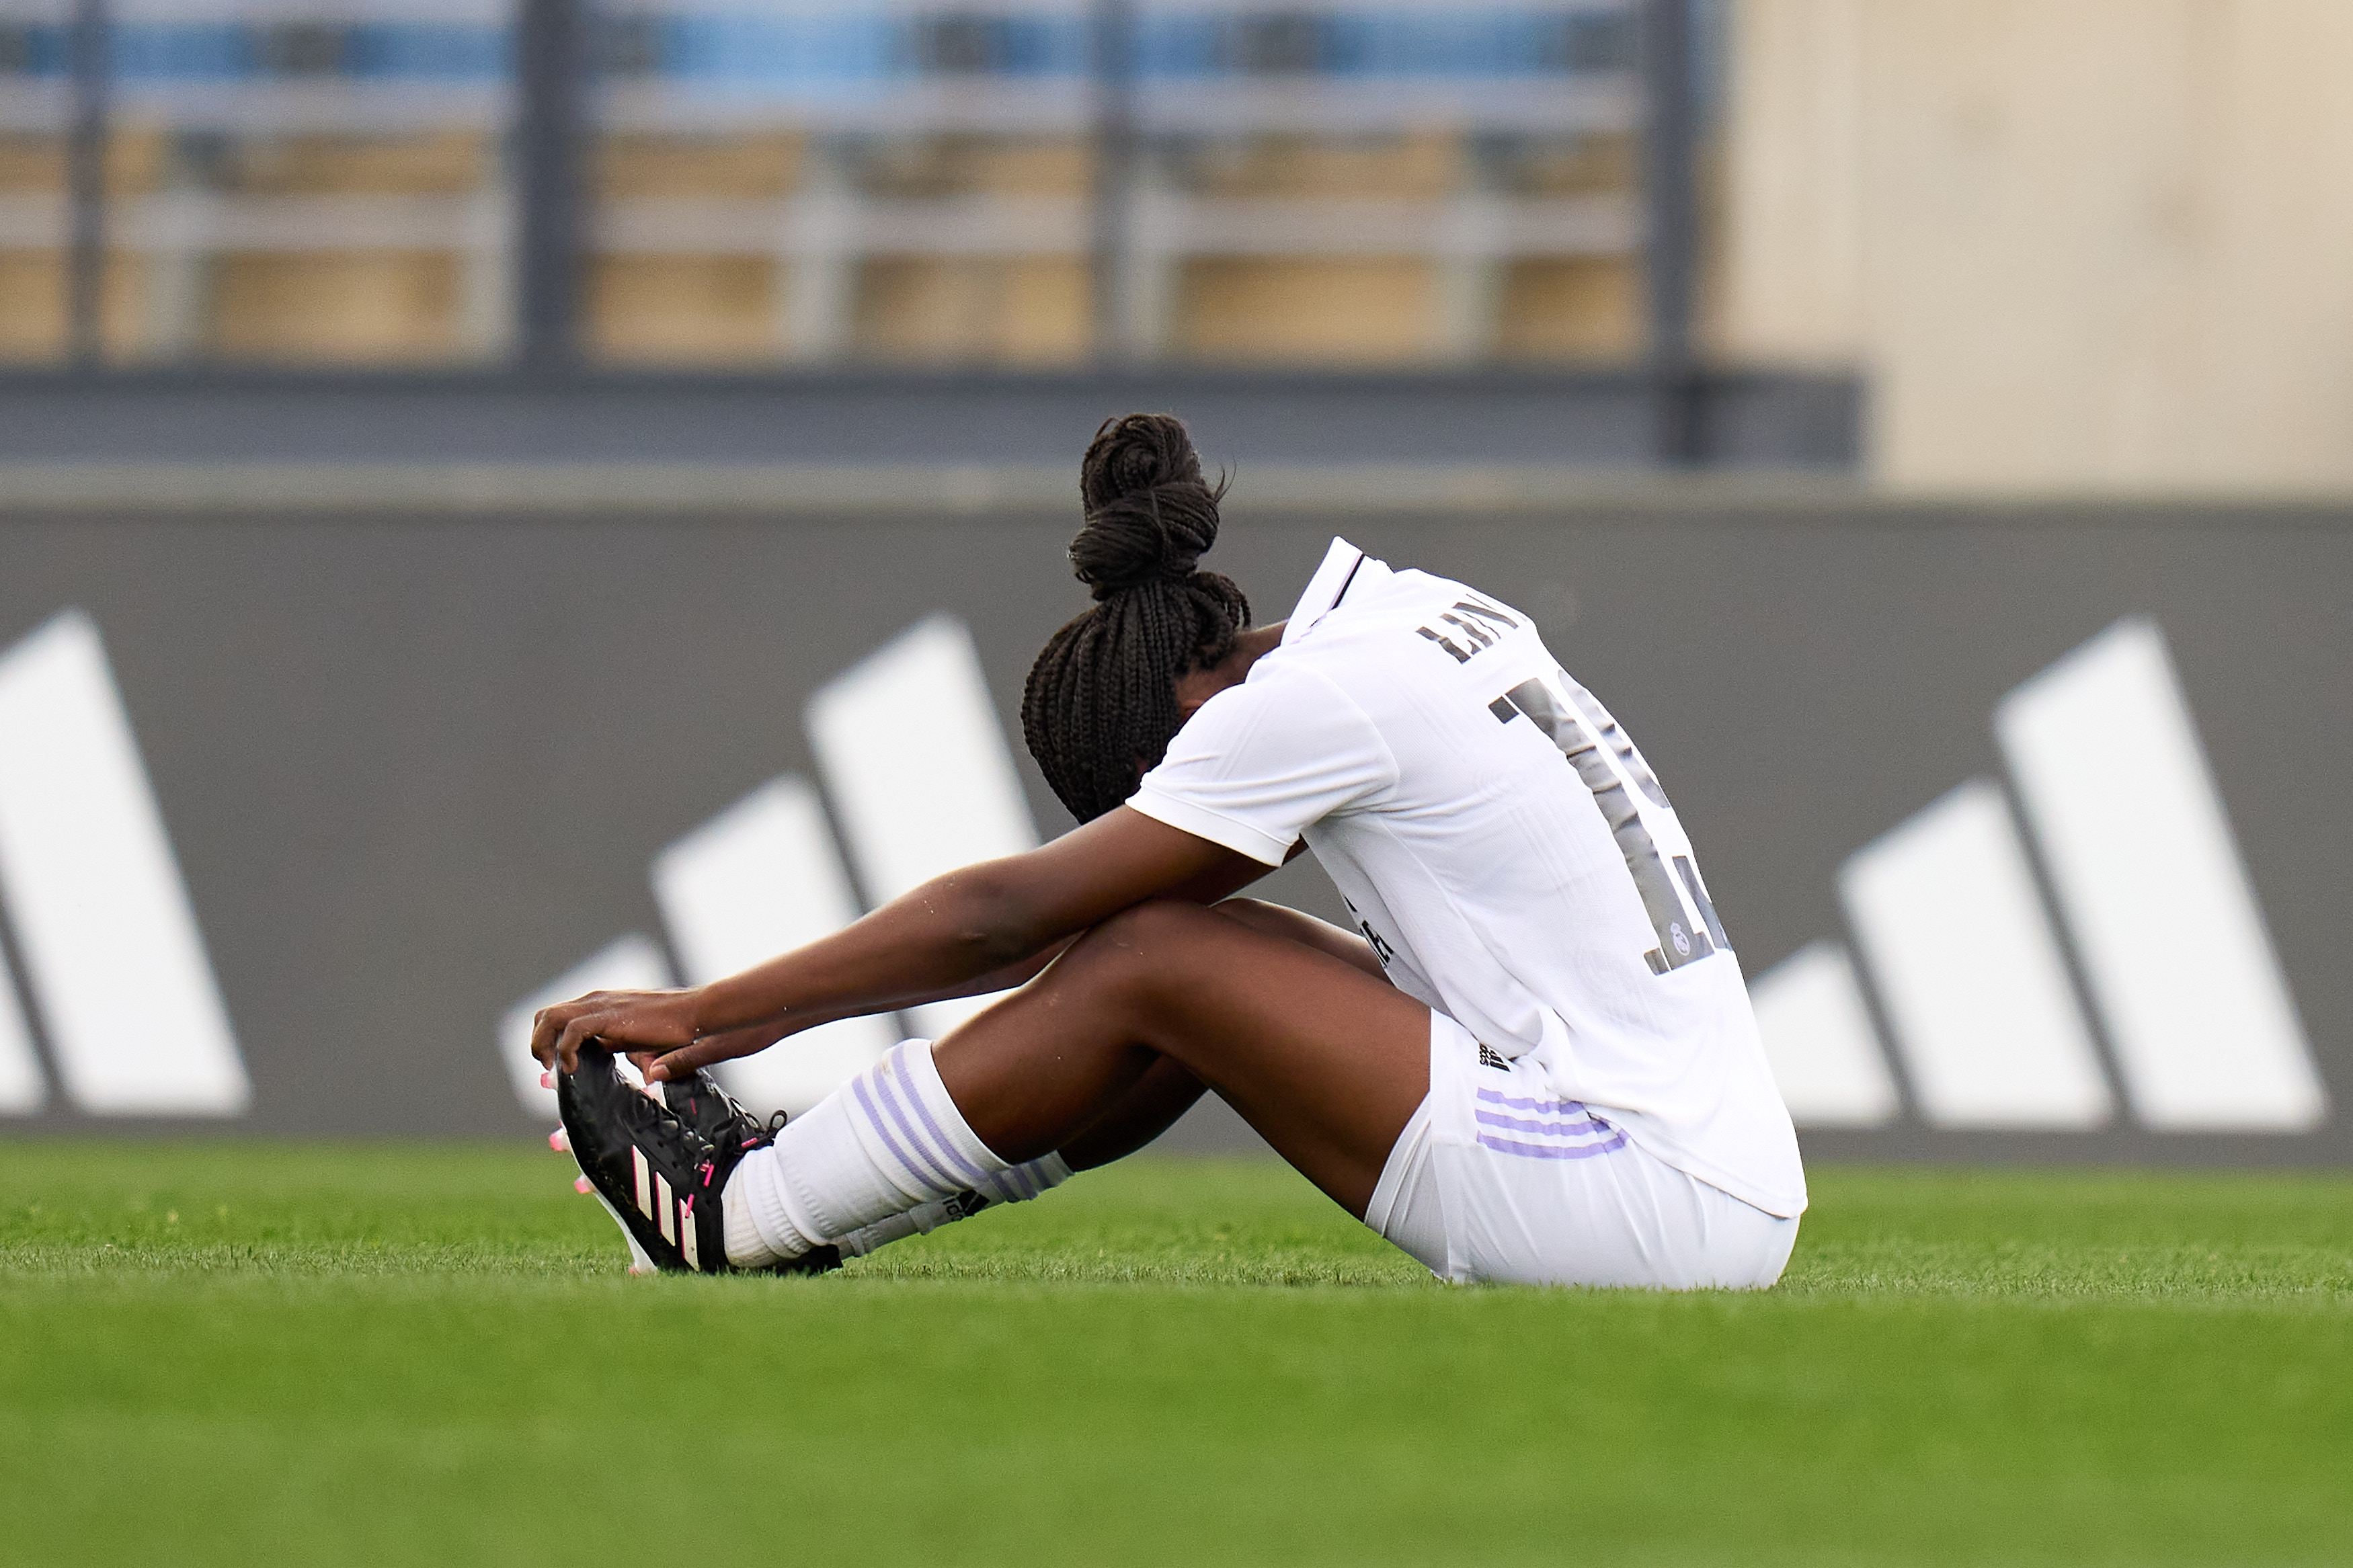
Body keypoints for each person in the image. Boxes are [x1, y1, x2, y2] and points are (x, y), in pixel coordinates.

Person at [530, 413, 1805, 1288]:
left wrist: (713, 1010)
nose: (1205, 850)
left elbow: (1007, 920)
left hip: (1648, 1201)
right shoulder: (1405, 616)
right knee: (1189, 954)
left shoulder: (1298, 709)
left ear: (1190, 728)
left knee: (1152, 951)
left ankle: (742, 1215)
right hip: (1703, 1170)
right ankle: (787, 1202)